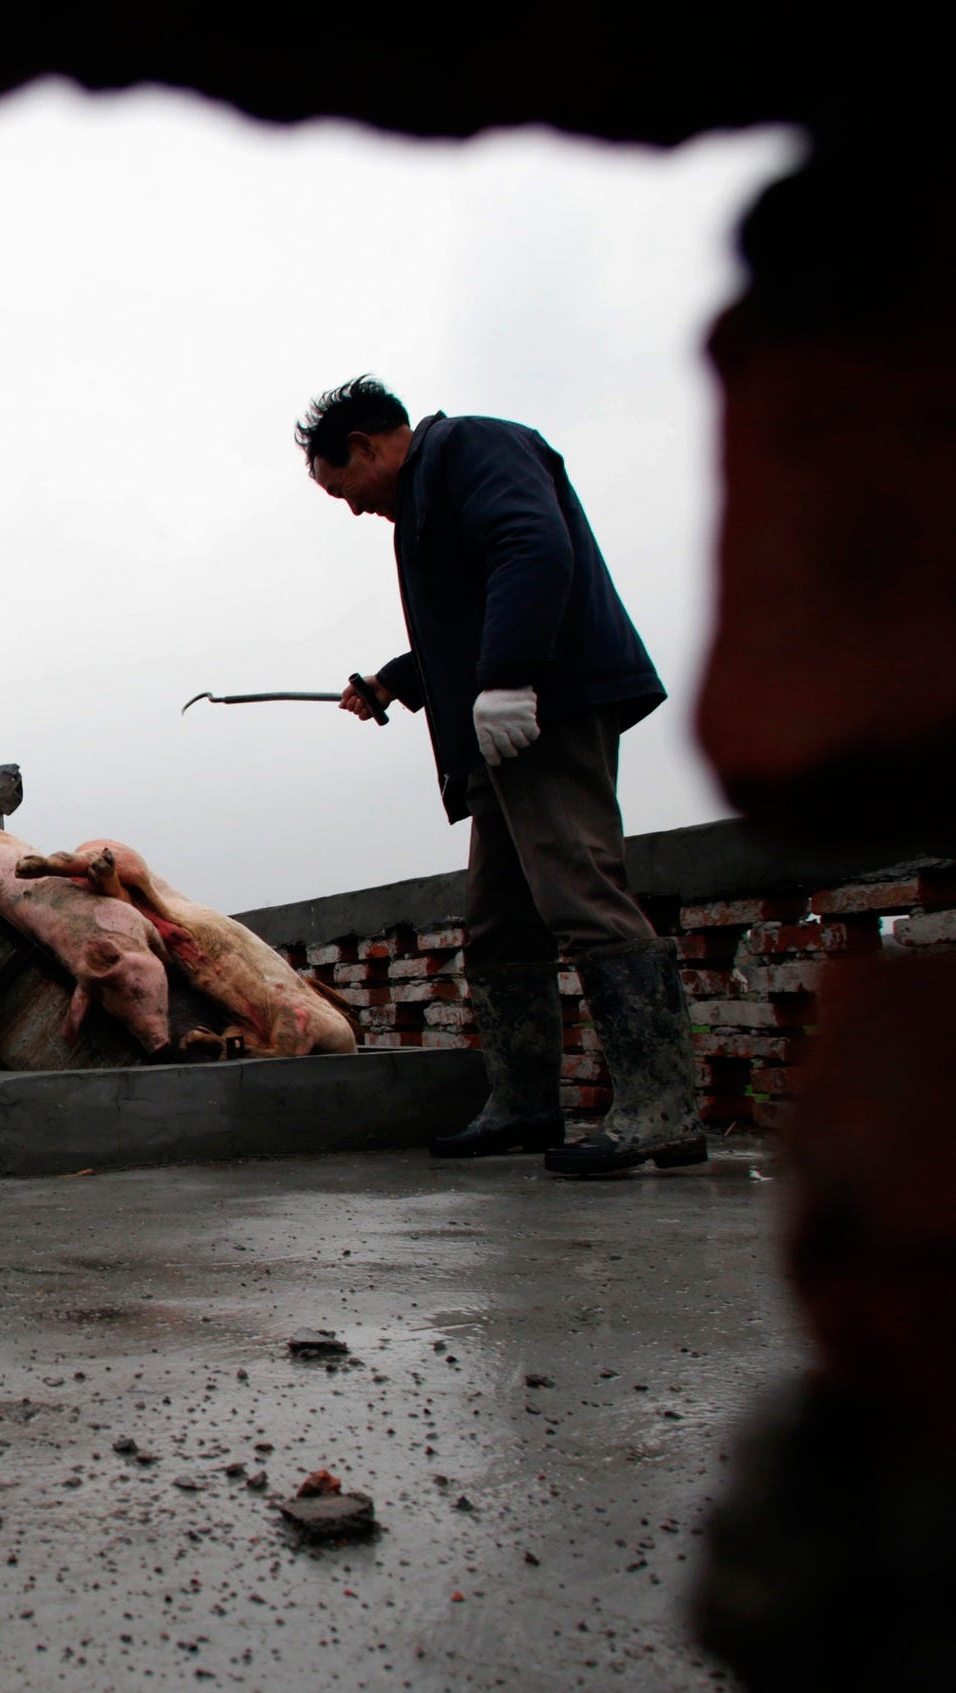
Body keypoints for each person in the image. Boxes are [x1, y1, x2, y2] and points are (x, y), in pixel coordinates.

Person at [300, 375, 703, 1176]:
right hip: (501, 735)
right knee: (500, 921)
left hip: (544, 712)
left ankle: (662, 1108)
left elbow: (532, 546)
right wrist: (394, 682)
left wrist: (512, 676)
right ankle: (523, 1104)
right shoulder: (425, 497)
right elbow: (466, 621)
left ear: (366, 445)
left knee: (580, 893)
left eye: (342, 486)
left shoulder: (470, 448)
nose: (351, 508)